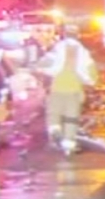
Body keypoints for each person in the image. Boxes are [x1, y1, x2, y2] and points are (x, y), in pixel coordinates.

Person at [40, 24, 98, 155]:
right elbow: (91, 72)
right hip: (74, 90)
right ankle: (68, 146)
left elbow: (45, 63)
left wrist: (39, 69)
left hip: (57, 88)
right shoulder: (83, 52)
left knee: (54, 113)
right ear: (78, 36)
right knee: (71, 118)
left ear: (64, 35)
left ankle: (55, 131)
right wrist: (90, 81)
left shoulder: (57, 48)